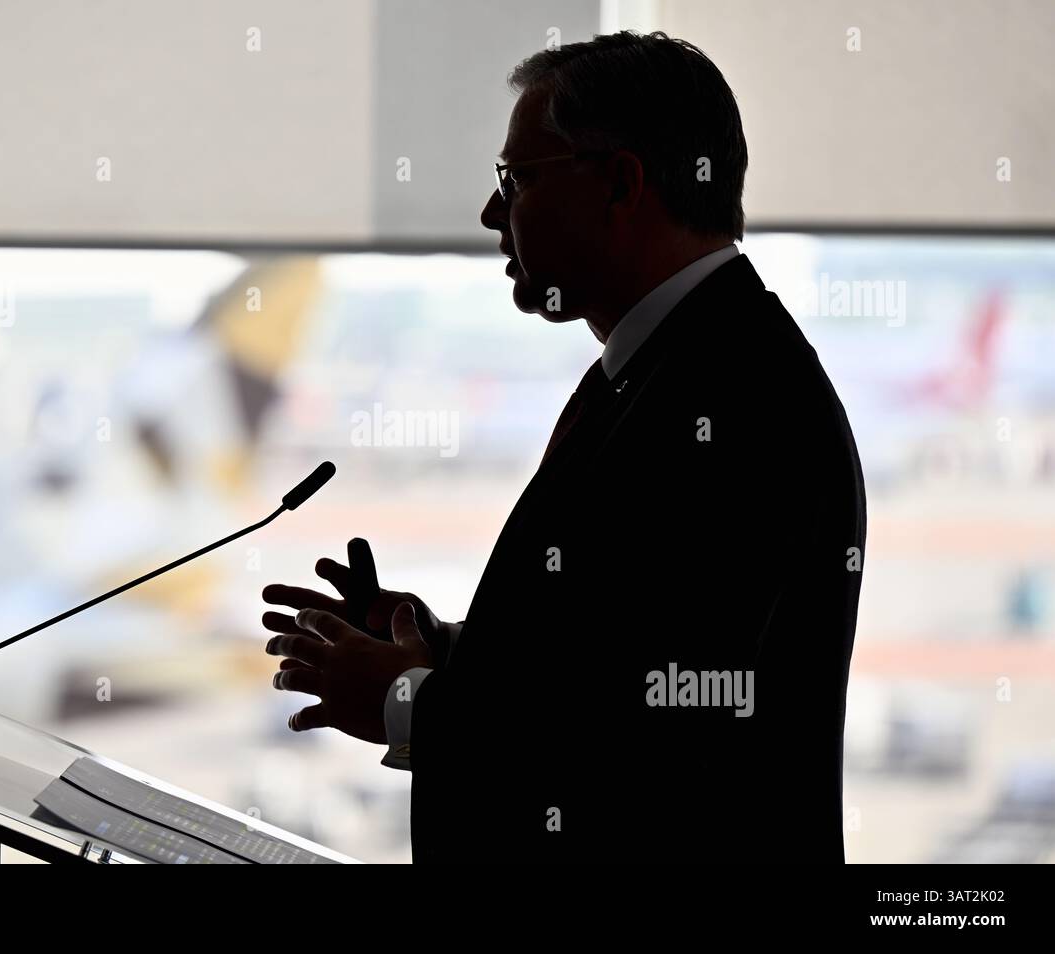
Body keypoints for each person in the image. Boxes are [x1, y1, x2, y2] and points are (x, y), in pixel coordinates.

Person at [262, 30, 867, 863]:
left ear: (621, 183)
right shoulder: (653, 369)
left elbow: (665, 734)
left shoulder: (738, 399)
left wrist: (408, 702)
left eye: (517, 180)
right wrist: (435, 643)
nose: (489, 212)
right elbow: (611, 649)